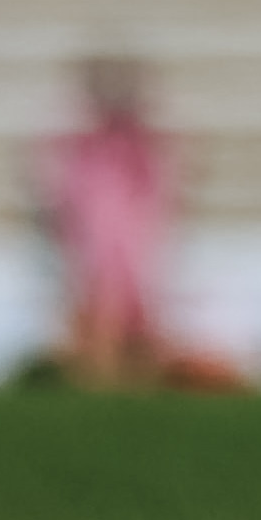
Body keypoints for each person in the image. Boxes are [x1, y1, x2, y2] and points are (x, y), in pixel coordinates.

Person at [31, 55, 239, 391]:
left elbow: (169, 185)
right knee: (105, 306)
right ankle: (105, 382)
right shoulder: (87, 144)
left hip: (129, 240)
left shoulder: (136, 144)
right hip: (101, 240)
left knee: (131, 308)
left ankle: (129, 381)